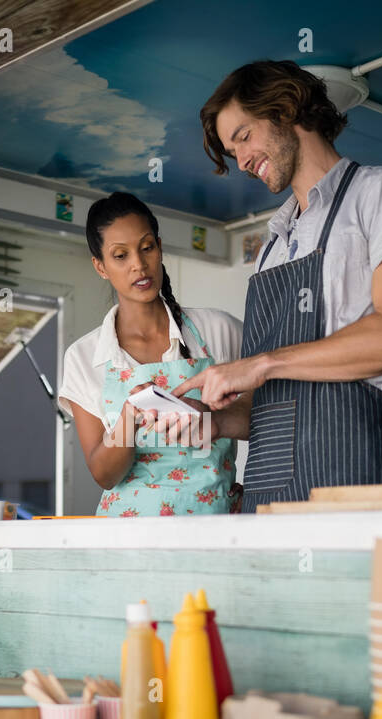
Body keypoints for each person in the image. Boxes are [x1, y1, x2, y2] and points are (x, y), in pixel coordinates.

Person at [170, 60, 382, 513]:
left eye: (243, 137)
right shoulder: (271, 249)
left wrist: (258, 364)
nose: (241, 161)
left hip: (353, 477)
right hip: (268, 490)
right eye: (232, 151)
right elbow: (277, 406)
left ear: (285, 109)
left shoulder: (381, 193)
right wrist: (214, 423)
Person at [58, 192, 242, 516]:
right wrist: (129, 416)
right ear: (100, 266)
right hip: (126, 542)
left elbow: (270, 419)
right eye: (120, 255)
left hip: (215, 532)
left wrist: (214, 421)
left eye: (147, 248)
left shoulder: (218, 330)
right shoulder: (83, 356)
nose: (139, 265)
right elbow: (105, 474)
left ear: (159, 246)